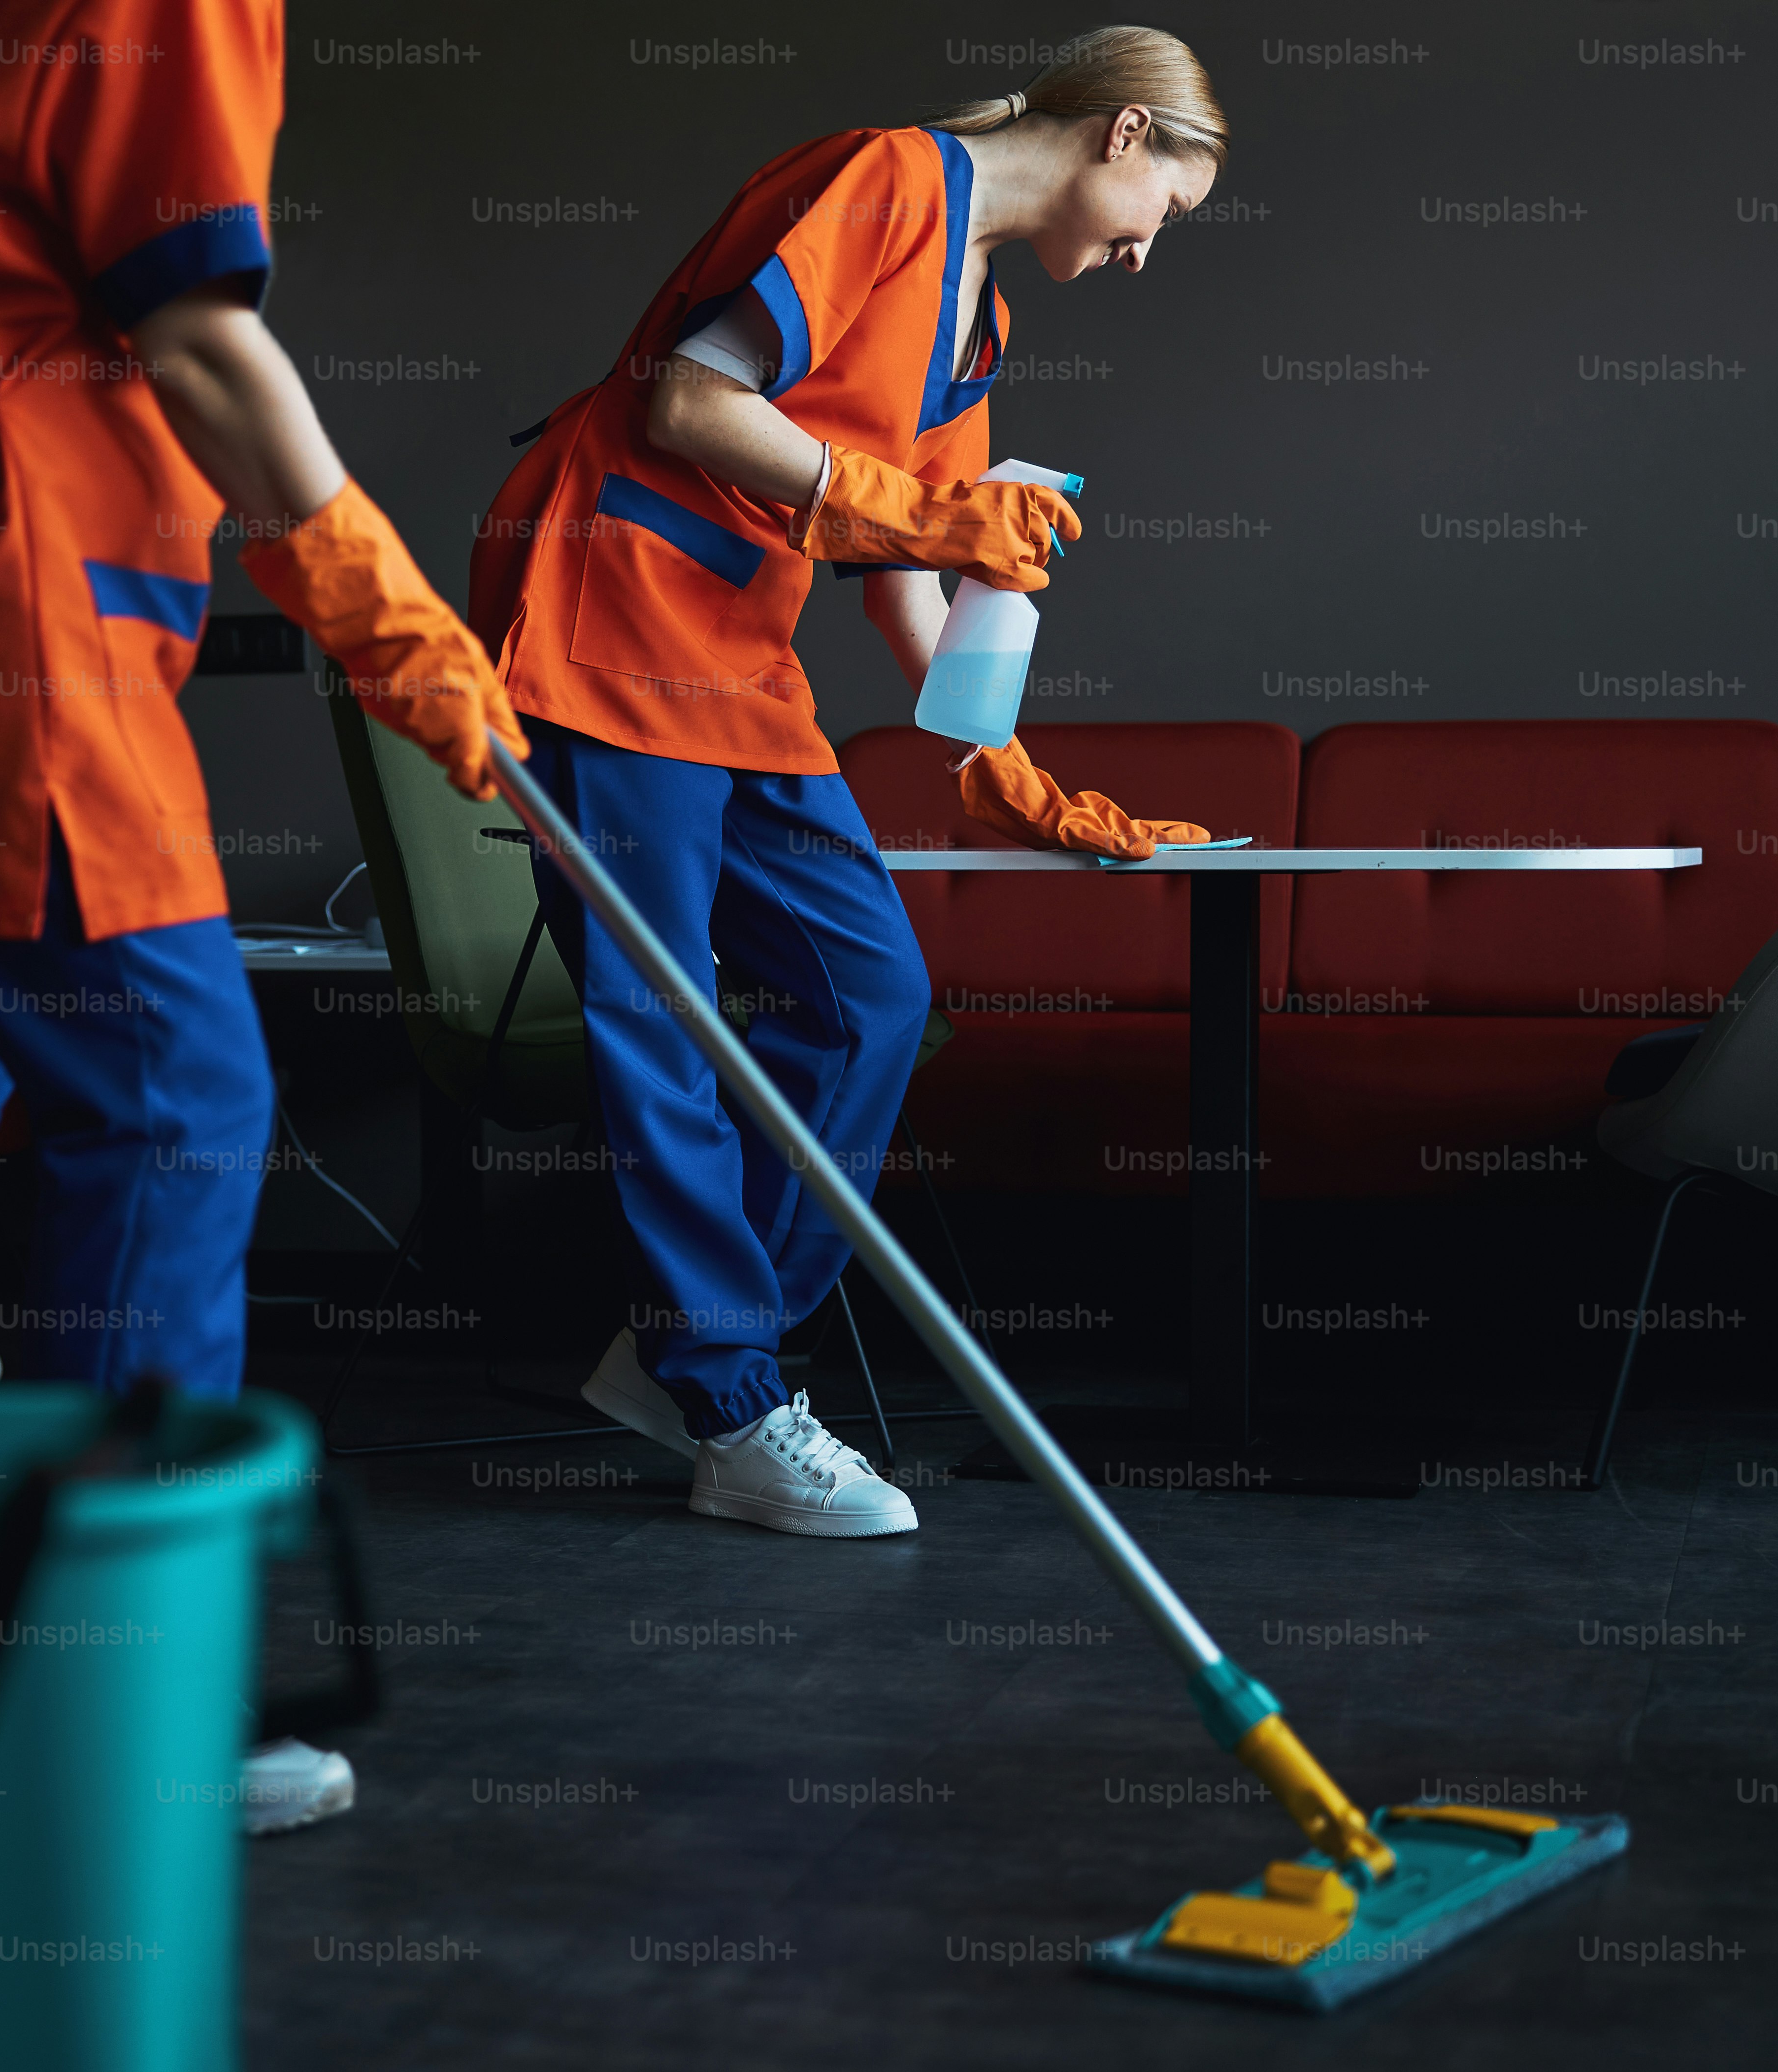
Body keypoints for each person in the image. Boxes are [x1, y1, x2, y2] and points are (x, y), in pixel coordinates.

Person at [0, 0, 524, 1835]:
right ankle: (111, 1696)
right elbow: (198, 331)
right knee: (168, 1107)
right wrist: (417, 649)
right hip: (5, 602)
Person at [468, 28, 1228, 1538]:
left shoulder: (981, 330)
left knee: (870, 997)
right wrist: (922, 512)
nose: (1149, 257)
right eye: (1167, 218)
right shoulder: (883, 181)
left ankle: (685, 1346)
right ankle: (737, 1402)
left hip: (737, 659)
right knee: (662, 1006)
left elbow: (906, 590)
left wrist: (998, 761)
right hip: (607, 603)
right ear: (1120, 137)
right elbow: (690, 402)